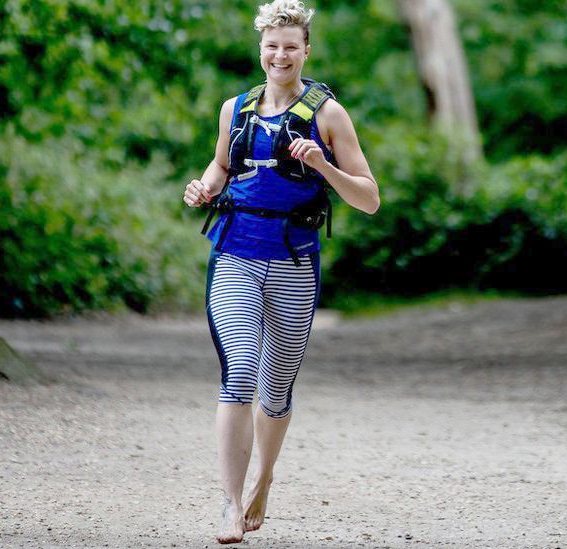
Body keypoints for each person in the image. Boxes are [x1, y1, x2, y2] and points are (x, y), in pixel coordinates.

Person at [182, 0, 379, 544]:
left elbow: (369, 199)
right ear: (260, 48)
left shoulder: (329, 114)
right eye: (272, 44)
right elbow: (221, 166)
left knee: (277, 387)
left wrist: (322, 164)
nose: (280, 54)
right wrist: (204, 188)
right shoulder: (235, 108)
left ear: (306, 50)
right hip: (236, 254)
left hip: (295, 261)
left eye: (291, 45)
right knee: (240, 371)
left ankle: (263, 481)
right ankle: (228, 505)